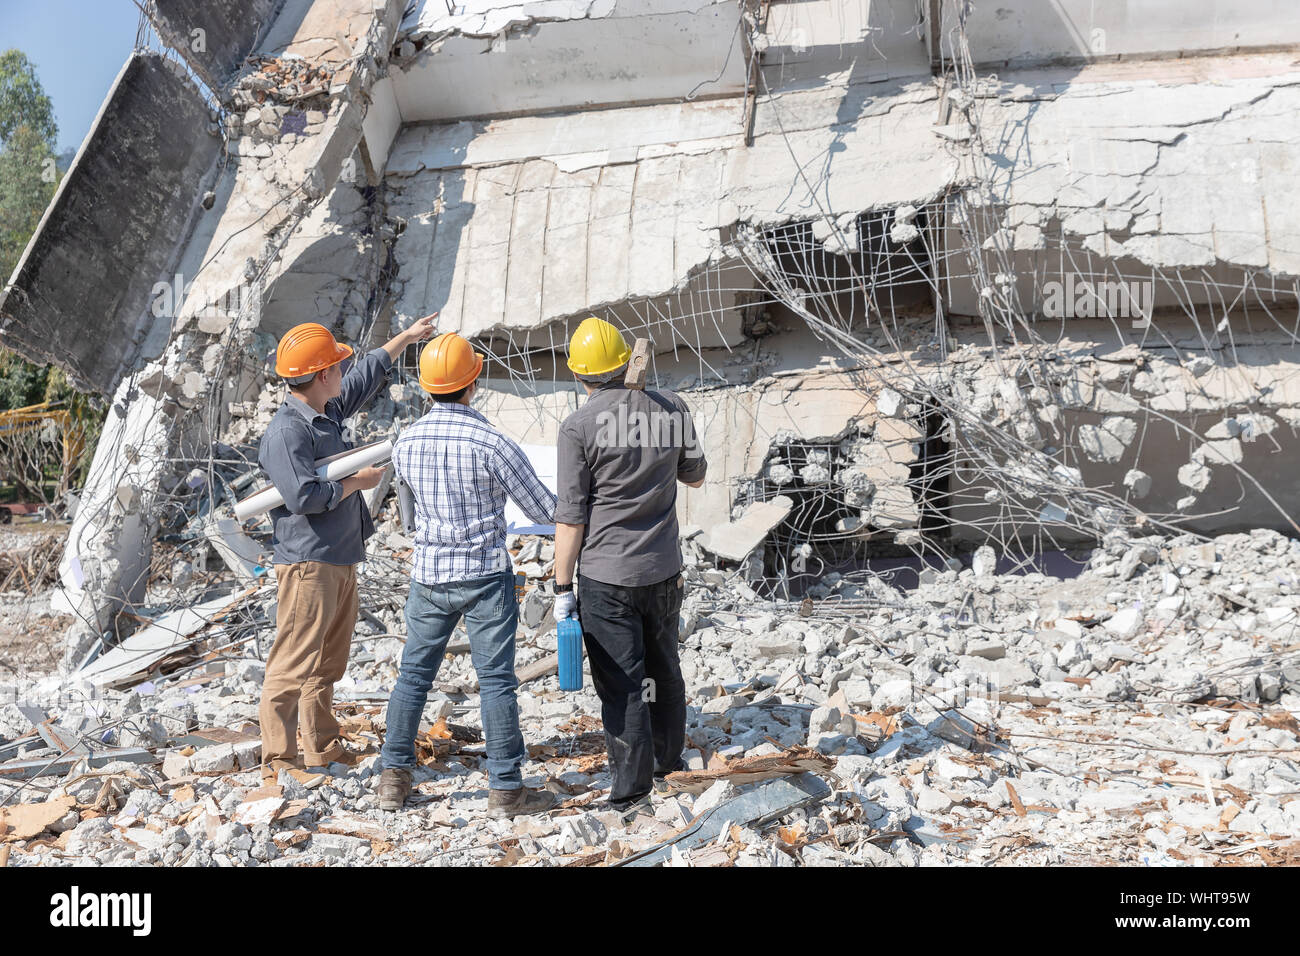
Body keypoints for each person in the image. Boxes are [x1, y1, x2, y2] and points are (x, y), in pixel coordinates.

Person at [378, 332, 558, 818]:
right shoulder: (491, 442)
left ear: (424, 387)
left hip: (430, 576)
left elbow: (408, 518)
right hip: (484, 576)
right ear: (473, 382)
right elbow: (544, 509)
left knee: (413, 676)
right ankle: (505, 789)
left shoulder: (406, 442)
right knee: (496, 682)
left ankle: (392, 780)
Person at [257, 316, 435, 781]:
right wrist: (358, 481)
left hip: (338, 557)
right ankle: (278, 763)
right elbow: (303, 497)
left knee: (327, 661)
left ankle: (322, 747)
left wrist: (406, 339)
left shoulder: (326, 411)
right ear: (321, 376)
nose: (343, 370)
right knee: (293, 661)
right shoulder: (287, 432)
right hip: (308, 562)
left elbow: (366, 375)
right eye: (336, 365)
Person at [552, 317, 707, 813]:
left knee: (623, 684)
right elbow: (697, 476)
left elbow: (572, 517)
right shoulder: (672, 407)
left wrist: (560, 587)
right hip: (662, 568)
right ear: (625, 361)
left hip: (606, 575)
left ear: (580, 375)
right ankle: (668, 761)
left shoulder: (578, 427)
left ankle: (631, 794)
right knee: (663, 666)